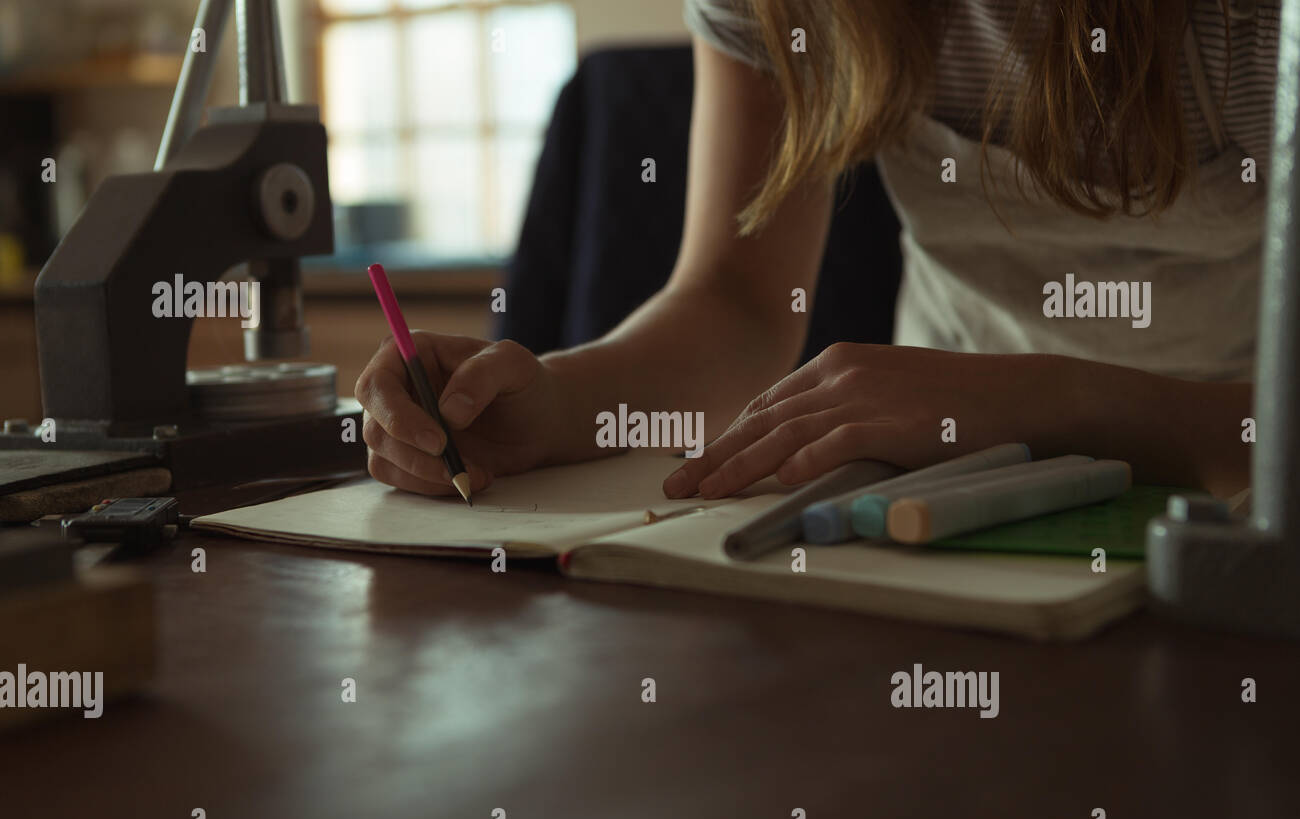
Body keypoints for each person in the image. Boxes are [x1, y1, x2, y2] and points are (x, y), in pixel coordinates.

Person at [357, 0, 1278, 503]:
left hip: (1249, 493)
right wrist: (557, 403)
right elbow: (737, 304)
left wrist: (1054, 401)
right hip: (949, 499)